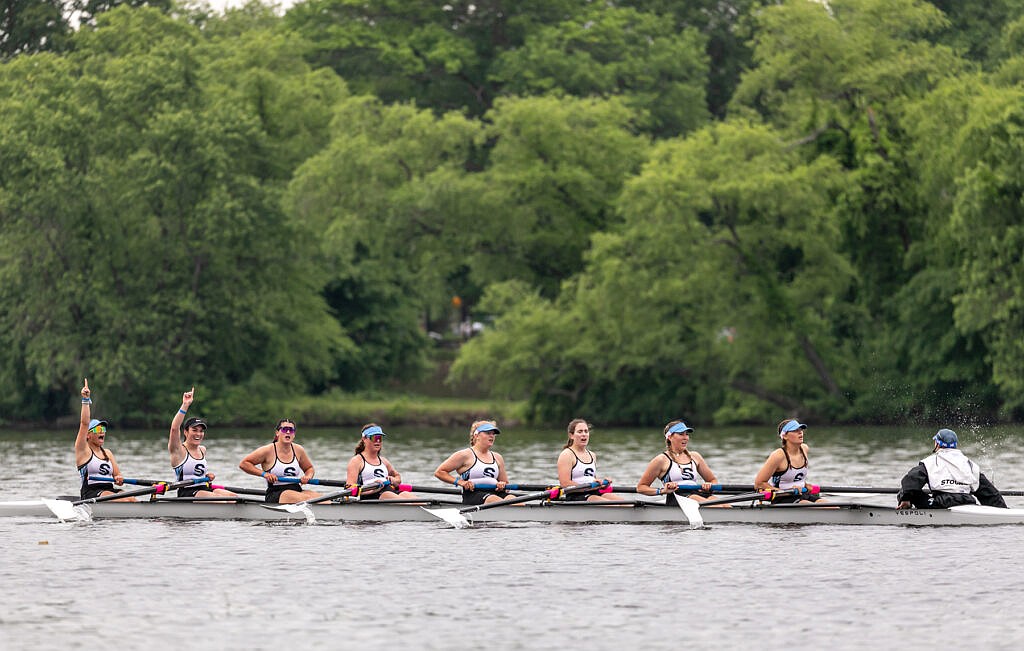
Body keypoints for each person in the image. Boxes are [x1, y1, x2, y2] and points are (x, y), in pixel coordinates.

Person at [897, 428, 1007, 509]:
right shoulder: (969, 463)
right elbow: (990, 493)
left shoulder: (930, 462)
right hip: (968, 502)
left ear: (937, 444)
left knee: (907, 488)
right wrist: (1003, 512)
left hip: (940, 504)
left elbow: (910, 480)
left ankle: (905, 505)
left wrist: (905, 497)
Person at [168, 387, 235, 499]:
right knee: (222, 501)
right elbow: (174, 428)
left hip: (204, 488)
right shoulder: (178, 450)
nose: (198, 434)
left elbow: (196, 472)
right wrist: (185, 405)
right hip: (187, 492)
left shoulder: (202, 449)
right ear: (185, 432)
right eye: (194, 430)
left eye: (201, 431)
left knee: (234, 497)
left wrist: (207, 475)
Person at [637, 420, 725, 505]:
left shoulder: (695, 456)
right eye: (681, 434)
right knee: (712, 504)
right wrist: (662, 491)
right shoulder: (661, 460)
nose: (685, 437)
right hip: (677, 497)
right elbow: (641, 487)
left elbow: (712, 480)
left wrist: (709, 485)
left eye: (687, 434)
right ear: (670, 437)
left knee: (724, 505)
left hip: (697, 493)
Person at [75, 378, 134, 501]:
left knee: (132, 499)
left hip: (109, 491)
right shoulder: (83, 451)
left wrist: (119, 479)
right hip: (91, 493)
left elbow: (118, 476)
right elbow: (84, 423)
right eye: (97, 430)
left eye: (103, 429)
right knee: (122, 499)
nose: (101, 431)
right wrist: (85, 400)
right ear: (88, 435)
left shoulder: (107, 453)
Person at [239, 419, 323, 504]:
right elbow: (244, 464)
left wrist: (308, 476)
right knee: (303, 498)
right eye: (284, 429)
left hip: (297, 490)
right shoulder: (267, 450)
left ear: (294, 434)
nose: (287, 432)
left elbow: (309, 468)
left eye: (291, 430)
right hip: (276, 493)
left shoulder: (298, 450)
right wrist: (265, 474)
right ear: (277, 433)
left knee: (322, 499)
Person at [434, 420, 515, 505]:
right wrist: (460, 482)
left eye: (493, 433)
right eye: (488, 433)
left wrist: (502, 485)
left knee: (513, 499)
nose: (492, 436)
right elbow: (439, 472)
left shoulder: (498, 457)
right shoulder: (465, 455)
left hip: (495, 493)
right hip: (473, 494)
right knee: (493, 499)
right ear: (476, 435)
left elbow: (506, 484)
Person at [754, 419, 823, 503]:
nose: (800, 432)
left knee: (832, 506)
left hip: (801, 495)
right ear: (785, 436)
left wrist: (806, 485)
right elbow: (759, 483)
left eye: (800, 429)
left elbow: (794, 477)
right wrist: (785, 491)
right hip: (783, 498)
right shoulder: (778, 455)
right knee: (810, 505)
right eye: (795, 430)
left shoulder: (805, 449)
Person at [345, 423, 417, 500]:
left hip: (390, 492)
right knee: (389, 495)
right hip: (372, 496)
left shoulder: (384, 461)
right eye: (374, 438)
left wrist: (394, 480)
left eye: (380, 438)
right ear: (364, 439)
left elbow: (397, 476)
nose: (378, 441)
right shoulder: (357, 461)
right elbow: (350, 488)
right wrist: (373, 489)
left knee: (407, 494)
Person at [556, 419, 621, 502]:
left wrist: (601, 484)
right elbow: (565, 484)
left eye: (586, 431)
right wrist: (589, 486)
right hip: (575, 496)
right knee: (610, 504)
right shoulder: (567, 455)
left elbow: (590, 478)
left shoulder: (592, 455)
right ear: (571, 435)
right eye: (580, 432)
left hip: (592, 492)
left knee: (624, 503)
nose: (584, 434)